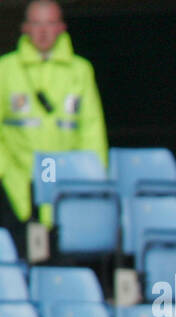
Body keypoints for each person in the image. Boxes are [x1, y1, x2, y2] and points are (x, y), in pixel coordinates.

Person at [0, 1, 108, 237]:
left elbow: (91, 129)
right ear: (25, 28)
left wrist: (92, 178)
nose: (43, 31)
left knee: (62, 262)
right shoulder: (5, 69)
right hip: (15, 185)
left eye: (50, 23)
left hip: (66, 186)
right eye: (36, 23)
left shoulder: (80, 70)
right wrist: (6, 171)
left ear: (61, 27)